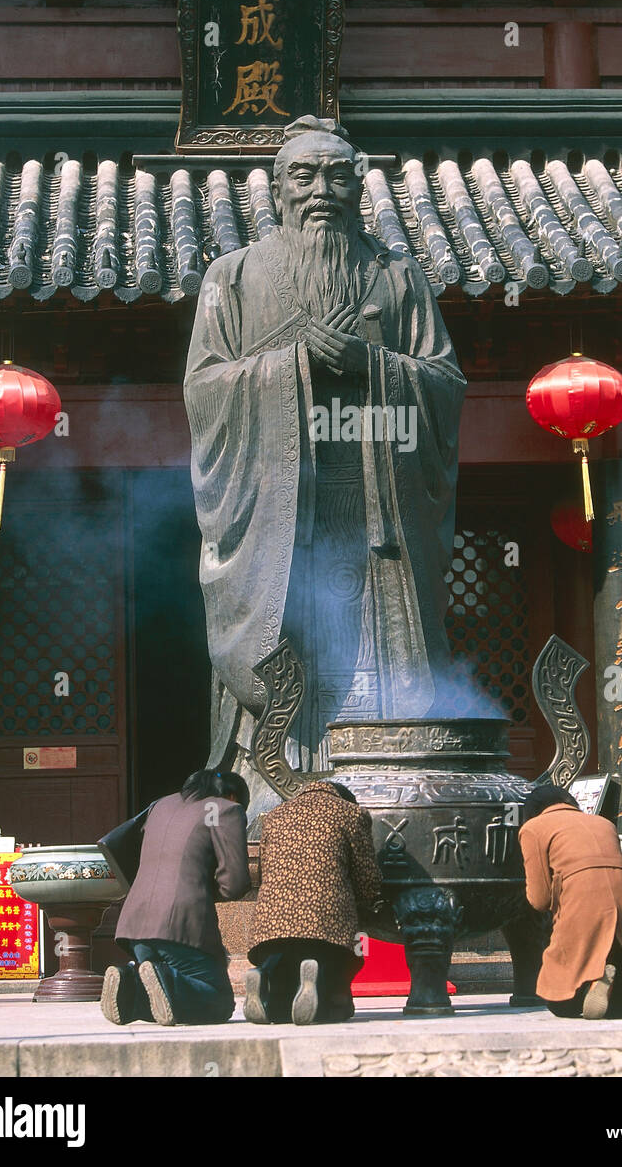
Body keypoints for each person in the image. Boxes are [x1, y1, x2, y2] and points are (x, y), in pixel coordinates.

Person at [184, 115, 466, 822]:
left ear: (360, 186)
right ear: (277, 191)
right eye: (303, 176)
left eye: (338, 176)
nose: (321, 191)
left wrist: (367, 363)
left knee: (379, 661)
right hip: (282, 526)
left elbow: (444, 381)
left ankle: (392, 780)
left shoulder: (399, 280)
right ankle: (273, 789)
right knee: (290, 653)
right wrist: (290, 368)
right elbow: (204, 386)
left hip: (378, 521)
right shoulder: (234, 278)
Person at [100, 769, 251, 1027]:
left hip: (135, 925)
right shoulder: (224, 809)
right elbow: (235, 883)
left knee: (163, 991)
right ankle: (163, 978)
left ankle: (132, 987)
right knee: (218, 1000)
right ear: (233, 795)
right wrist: (207, 891)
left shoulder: (160, 805)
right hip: (181, 926)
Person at [519, 785, 622, 1019]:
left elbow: (539, 898)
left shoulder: (532, 828)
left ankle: (592, 984)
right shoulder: (604, 823)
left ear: (533, 811)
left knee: (560, 1000)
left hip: (581, 896)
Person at [243, 780, 381, 1025]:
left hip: (271, 920)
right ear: (344, 798)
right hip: (326, 918)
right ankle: (316, 985)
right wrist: (366, 902)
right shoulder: (350, 812)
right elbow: (366, 874)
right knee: (335, 996)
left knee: (281, 993)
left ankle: (265, 979)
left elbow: (263, 868)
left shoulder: (275, 815)